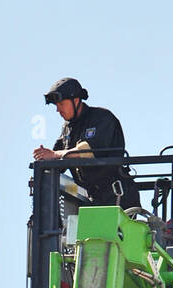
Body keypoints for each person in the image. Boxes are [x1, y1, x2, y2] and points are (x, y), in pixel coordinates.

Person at [33, 77, 142, 210]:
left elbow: (86, 151)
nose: (58, 110)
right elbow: (57, 160)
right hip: (93, 198)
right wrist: (44, 158)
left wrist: (54, 155)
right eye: (56, 105)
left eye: (61, 104)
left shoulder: (101, 118)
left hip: (117, 195)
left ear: (76, 100)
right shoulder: (68, 128)